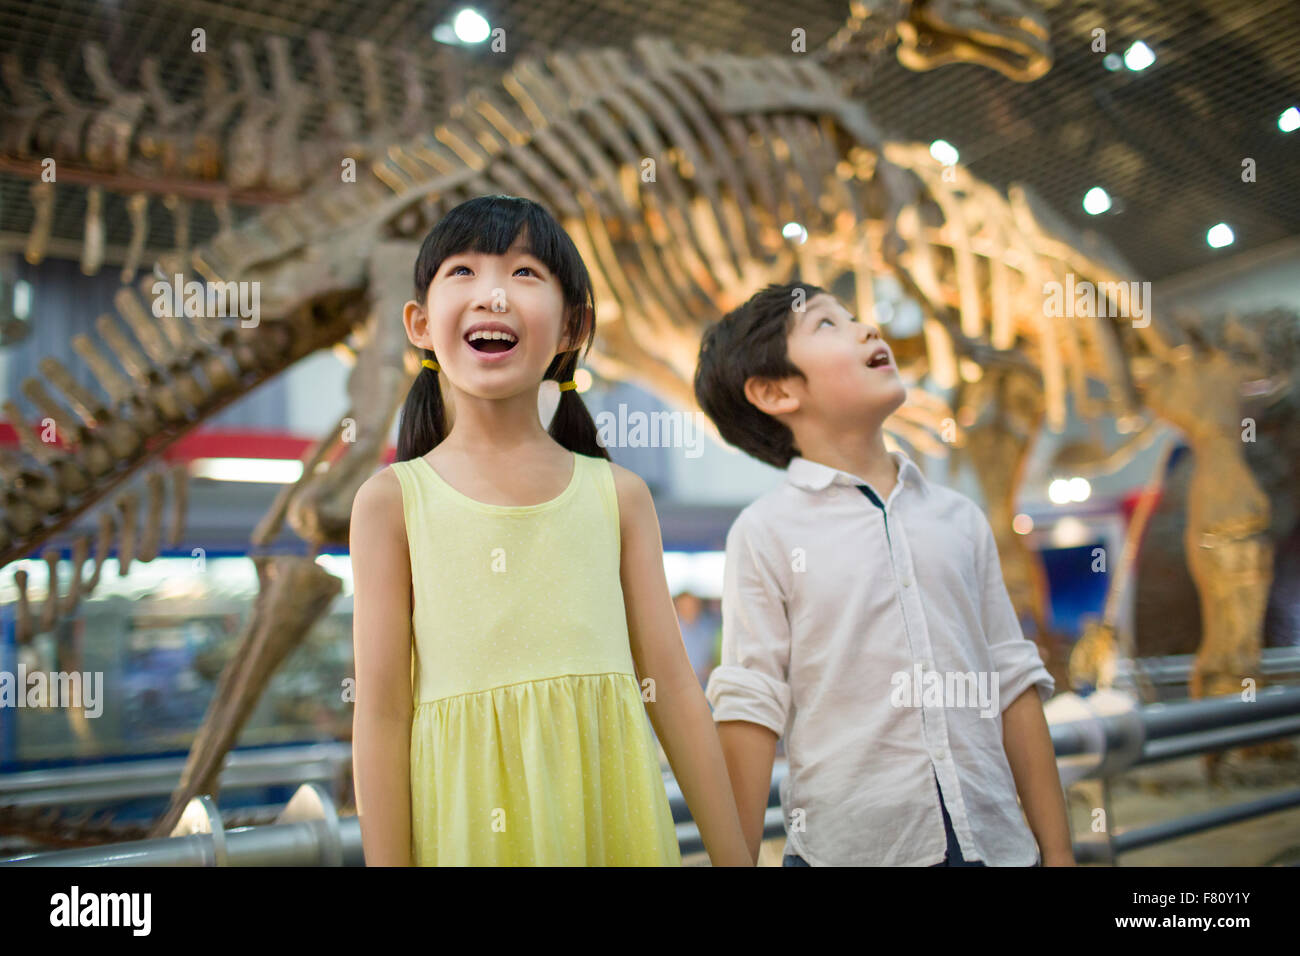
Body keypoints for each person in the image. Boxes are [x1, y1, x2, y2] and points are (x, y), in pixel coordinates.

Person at [349, 195, 749, 866]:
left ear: (572, 327)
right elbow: (382, 713)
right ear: (419, 322)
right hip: (470, 832)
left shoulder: (617, 496)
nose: (493, 295)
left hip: (612, 823)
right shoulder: (391, 502)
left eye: (525, 273)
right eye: (463, 272)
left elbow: (674, 688)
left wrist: (734, 858)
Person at [693, 282, 1075, 867]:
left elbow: (1012, 680)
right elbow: (750, 704)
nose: (867, 328)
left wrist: (1058, 852)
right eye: (827, 325)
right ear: (775, 391)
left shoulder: (959, 519)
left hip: (995, 846)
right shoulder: (765, 531)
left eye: (854, 315)